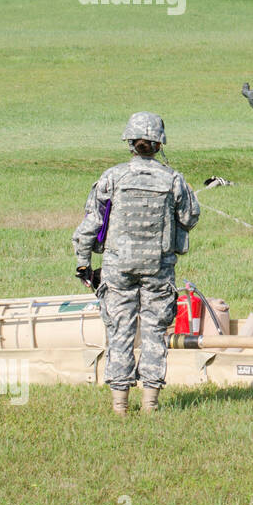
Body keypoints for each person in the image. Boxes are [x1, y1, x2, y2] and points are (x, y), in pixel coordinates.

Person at [73, 112, 200, 414]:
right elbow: (190, 217)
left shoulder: (113, 177)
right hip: (158, 268)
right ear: (159, 145)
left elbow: (91, 223)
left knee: (120, 331)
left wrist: (82, 262)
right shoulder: (173, 179)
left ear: (130, 143)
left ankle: (119, 407)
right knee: (155, 332)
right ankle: (150, 404)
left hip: (118, 268)